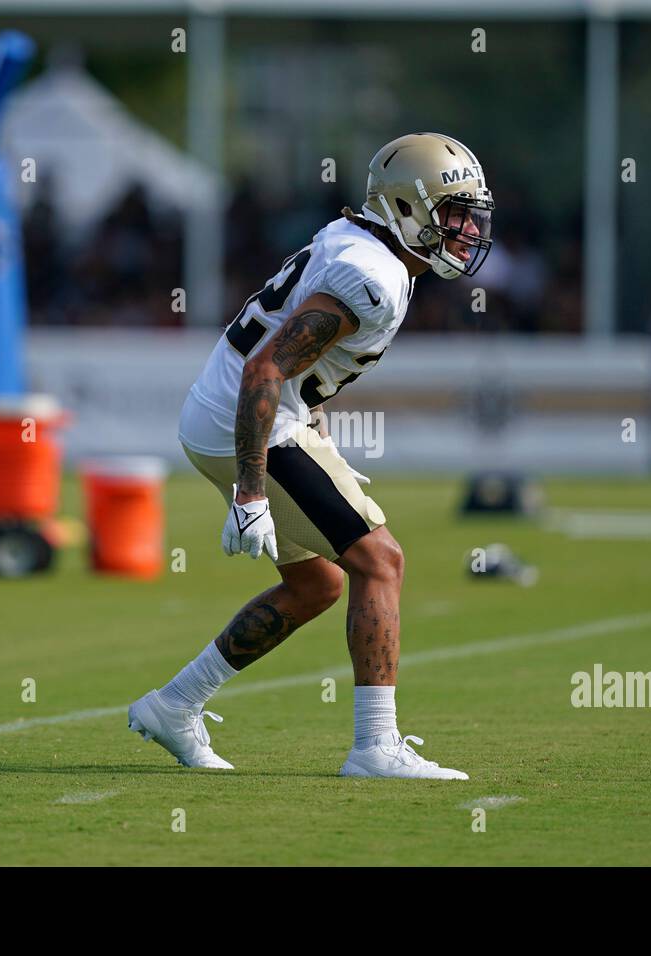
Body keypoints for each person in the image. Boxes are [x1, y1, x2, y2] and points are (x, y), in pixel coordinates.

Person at [128, 133, 494, 779]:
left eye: (470, 213)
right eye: (453, 212)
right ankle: (375, 748)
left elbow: (284, 360)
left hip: (236, 413)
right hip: (244, 421)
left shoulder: (367, 245)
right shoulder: (372, 276)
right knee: (380, 563)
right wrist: (251, 492)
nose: (466, 229)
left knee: (317, 583)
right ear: (407, 209)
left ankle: (173, 705)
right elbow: (266, 370)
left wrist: (312, 428)